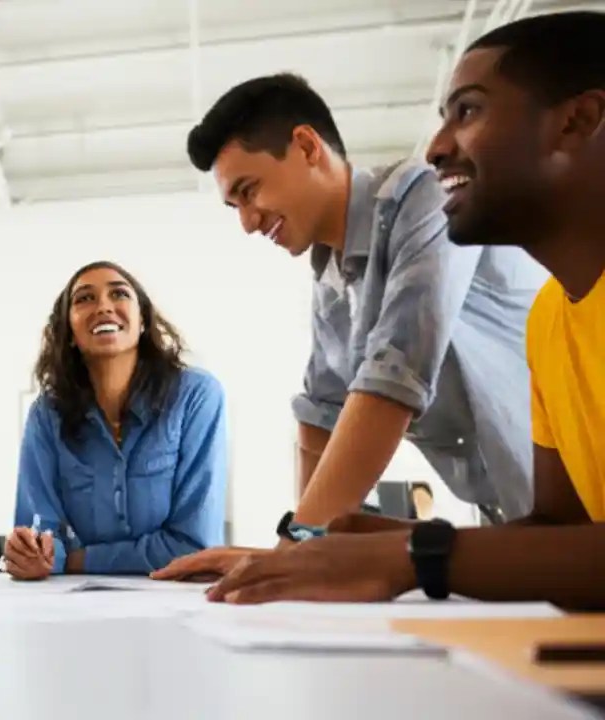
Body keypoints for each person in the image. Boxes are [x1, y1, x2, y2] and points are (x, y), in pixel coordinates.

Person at [190, 11, 605, 610]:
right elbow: (320, 418)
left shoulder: (412, 194)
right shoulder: (548, 321)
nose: (437, 147)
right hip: (538, 541)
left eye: (467, 110)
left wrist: (330, 548)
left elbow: (392, 379)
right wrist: (320, 546)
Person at [155, 70, 547, 580]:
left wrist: (297, 548)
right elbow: (321, 413)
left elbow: (393, 379)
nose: (248, 222)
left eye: (249, 192)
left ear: (305, 146)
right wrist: (295, 547)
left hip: (585, 495)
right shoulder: (331, 279)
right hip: (521, 519)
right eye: (235, 207)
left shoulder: (423, 196)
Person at [4, 261, 228, 579]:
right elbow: (42, 540)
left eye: (119, 294)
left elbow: (194, 546)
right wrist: (28, 555)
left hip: (176, 606)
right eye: (84, 299)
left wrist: (75, 561)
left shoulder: (196, 396)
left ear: (142, 322)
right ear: (69, 331)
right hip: (71, 608)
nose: (104, 307)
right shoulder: (46, 413)